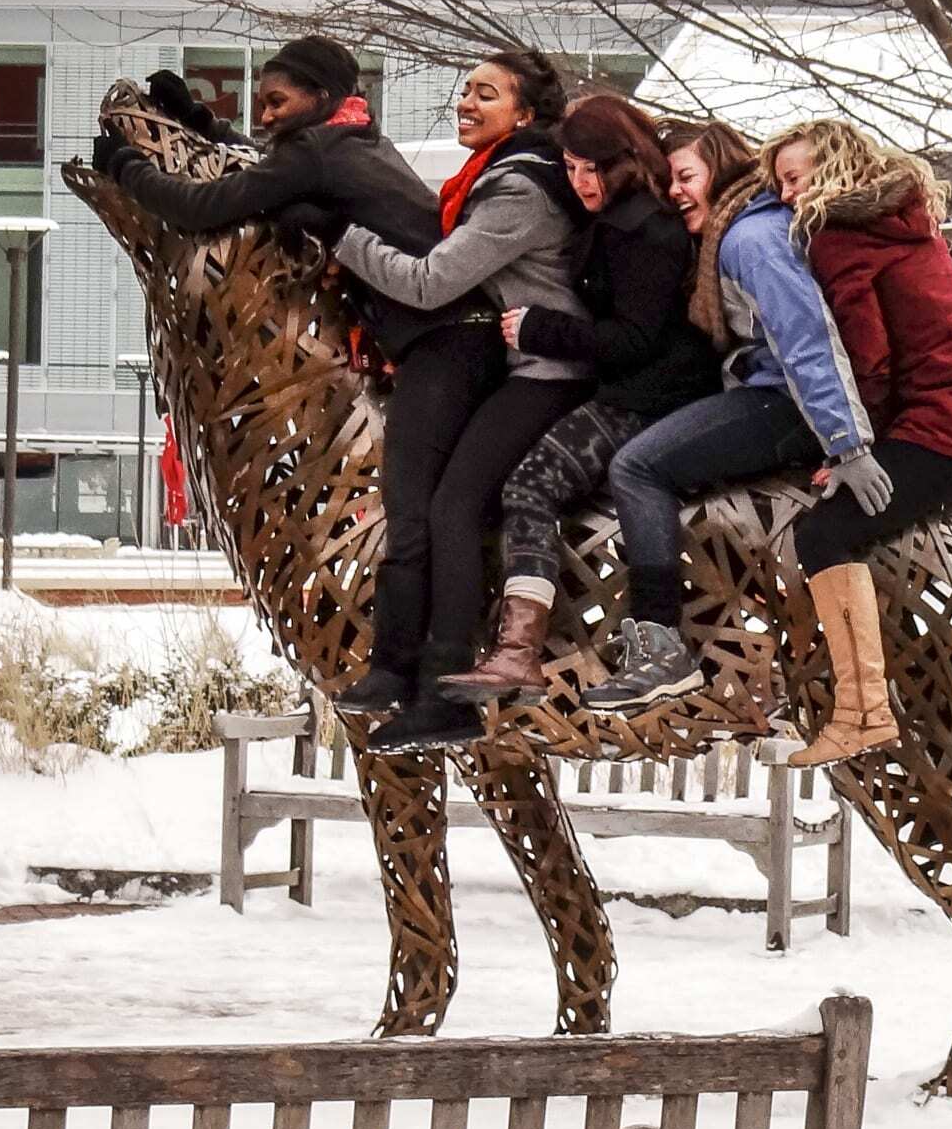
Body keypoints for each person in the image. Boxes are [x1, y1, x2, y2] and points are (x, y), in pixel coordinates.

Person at [92, 36, 505, 714]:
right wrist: (204, 127)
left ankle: (412, 677)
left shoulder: (317, 153)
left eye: (277, 102)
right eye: (260, 103)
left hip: (447, 345)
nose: (266, 115)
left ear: (317, 99)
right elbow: (265, 169)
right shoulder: (354, 139)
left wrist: (126, 168)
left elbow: (202, 208)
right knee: (420, 508)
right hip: (458, 339)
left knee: (410, 513)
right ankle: (414, 669)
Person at [307, 48, 595, 752]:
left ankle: (447, 691)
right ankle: (414, 677)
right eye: (465, 90)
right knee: (438, 506)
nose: (466, 103)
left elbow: (431, 281)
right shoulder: (495, 176)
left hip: (551, 374)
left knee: (453, 507)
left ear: (524, 115)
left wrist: (340, 235)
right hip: (523, 366)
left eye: (486, 95)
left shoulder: (518, 190)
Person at [584, 120, 890, 714]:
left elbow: (806, 340)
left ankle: (660, 651)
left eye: (686, 176)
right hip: (776, 394)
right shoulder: (736, 233)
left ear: (721, 172)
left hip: (789, 404)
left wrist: (847, 445)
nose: (674, 191)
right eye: (666, 180)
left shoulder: (750, 239)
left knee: (638, 468)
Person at [442, 94, 719, 703]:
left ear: (624, 161)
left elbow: (636, 338)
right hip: (633, 389)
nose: (580, 180)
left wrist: (540, 328)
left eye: (591, 167)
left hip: (650, 398)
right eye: (569, 167)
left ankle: (519, 652)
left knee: (530, 483)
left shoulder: (645, 230)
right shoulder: (619, 221)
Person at [771, 119, 952, 763]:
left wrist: (854, 449)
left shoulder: (839, 238)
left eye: (795, 180)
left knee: (825, 533)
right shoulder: (903, 218)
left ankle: (864, 713)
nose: (789, 197)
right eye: (780, 185)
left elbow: (868, 356)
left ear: (831, 170)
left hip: (942, 428)